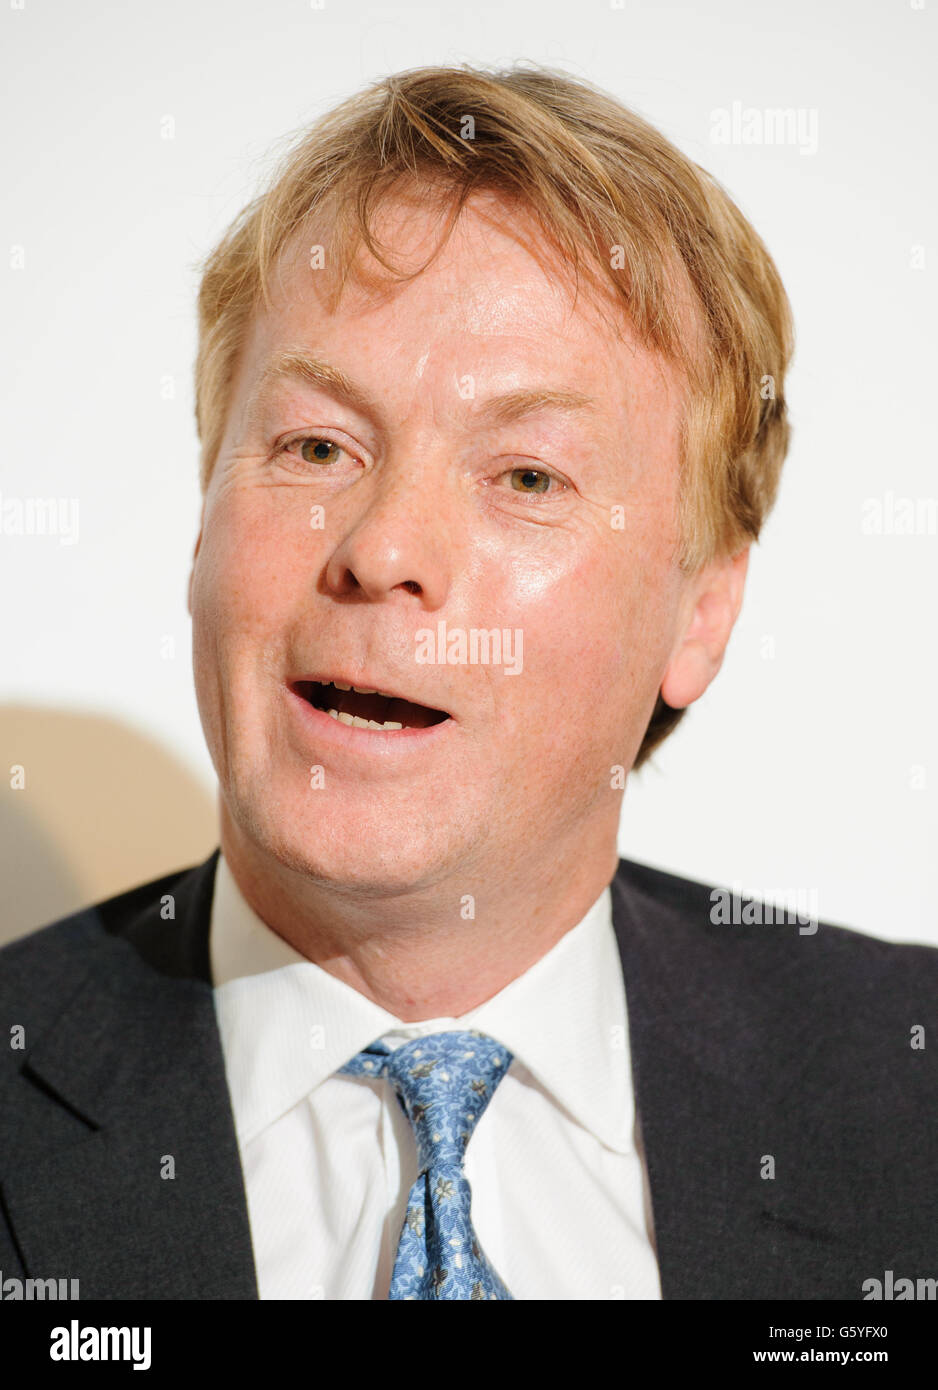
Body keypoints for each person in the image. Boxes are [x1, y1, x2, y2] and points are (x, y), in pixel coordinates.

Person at [2, 62, 936, 1302]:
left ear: (702, 606)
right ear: (204, 515)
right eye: (316, 445)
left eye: (526, 477)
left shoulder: (903, 1100)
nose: (381, 550)